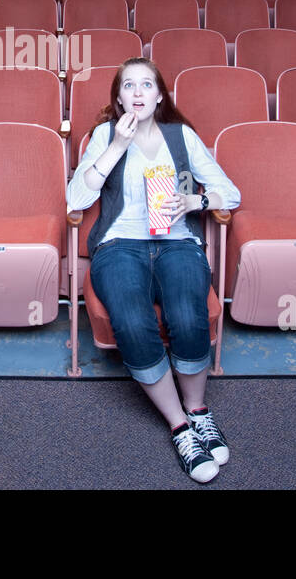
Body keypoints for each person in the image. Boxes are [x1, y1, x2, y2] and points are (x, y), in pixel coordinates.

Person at [66, 58, 241, 483]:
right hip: (119, 245)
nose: (139, 92)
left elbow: (229, 193)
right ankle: (179, 423)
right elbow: (76, 198)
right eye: (129, 86)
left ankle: (199, 410)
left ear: (160, 95)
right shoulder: (106, 135)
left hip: (176, 240)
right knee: (132, 319)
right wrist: (115, 149)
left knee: (186, 313)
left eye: (147, 84)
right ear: (120, 97)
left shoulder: (180, 137)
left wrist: (194, 202)